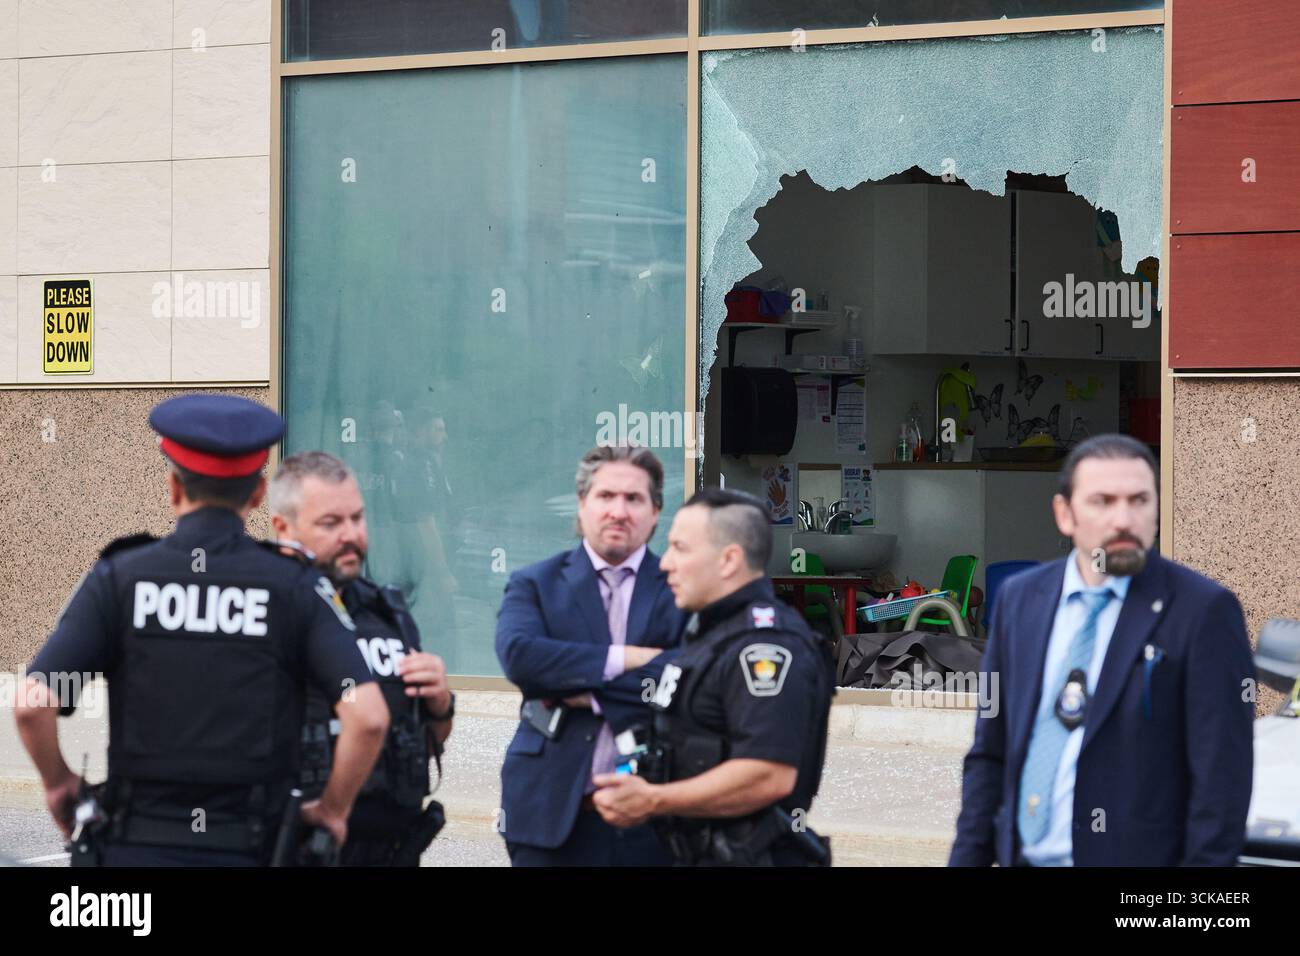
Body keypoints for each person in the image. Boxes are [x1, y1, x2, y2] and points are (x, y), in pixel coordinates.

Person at [14, 395, 389, 866]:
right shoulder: (295, 585)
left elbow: (32, 704)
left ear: (174, 487)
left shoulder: (121, 578)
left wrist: (59, 783)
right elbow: (369, 716)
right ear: (256, 495)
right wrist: (334, 810)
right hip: (254, 846)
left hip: (135, 849)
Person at [949, 434, 1255, 867]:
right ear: (1065, 514)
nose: (1123, 519)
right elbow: (989, 754)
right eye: (1103, 501)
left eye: (1139, 501)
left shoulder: (1203, 611)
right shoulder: (1021, 601)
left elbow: (1222, 786)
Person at [591, 488, 835, 866]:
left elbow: (767, 776)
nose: (665, 564)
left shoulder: (765, 646)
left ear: (728, 560)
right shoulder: (710, 633)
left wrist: (653, 800)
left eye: (680, 548)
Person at [495, 446, 687, 866]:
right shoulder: (535, 583)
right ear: (582, 505)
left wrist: (591, 693)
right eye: (605, 496)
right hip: (550, 811)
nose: (618, 511)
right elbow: (521, 657)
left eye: (633, 499)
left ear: (655, 512)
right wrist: (629, 658)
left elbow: (692, 675)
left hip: (653, 816)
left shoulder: (682, 589)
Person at [268, 451, 454, 866]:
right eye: (331, 523)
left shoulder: (386, 612)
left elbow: (426, 739)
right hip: (294, 848)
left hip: (388, 849)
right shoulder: (260, 614)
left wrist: (441, 702)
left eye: (357, 518)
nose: (351, 534)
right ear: (283, 527)